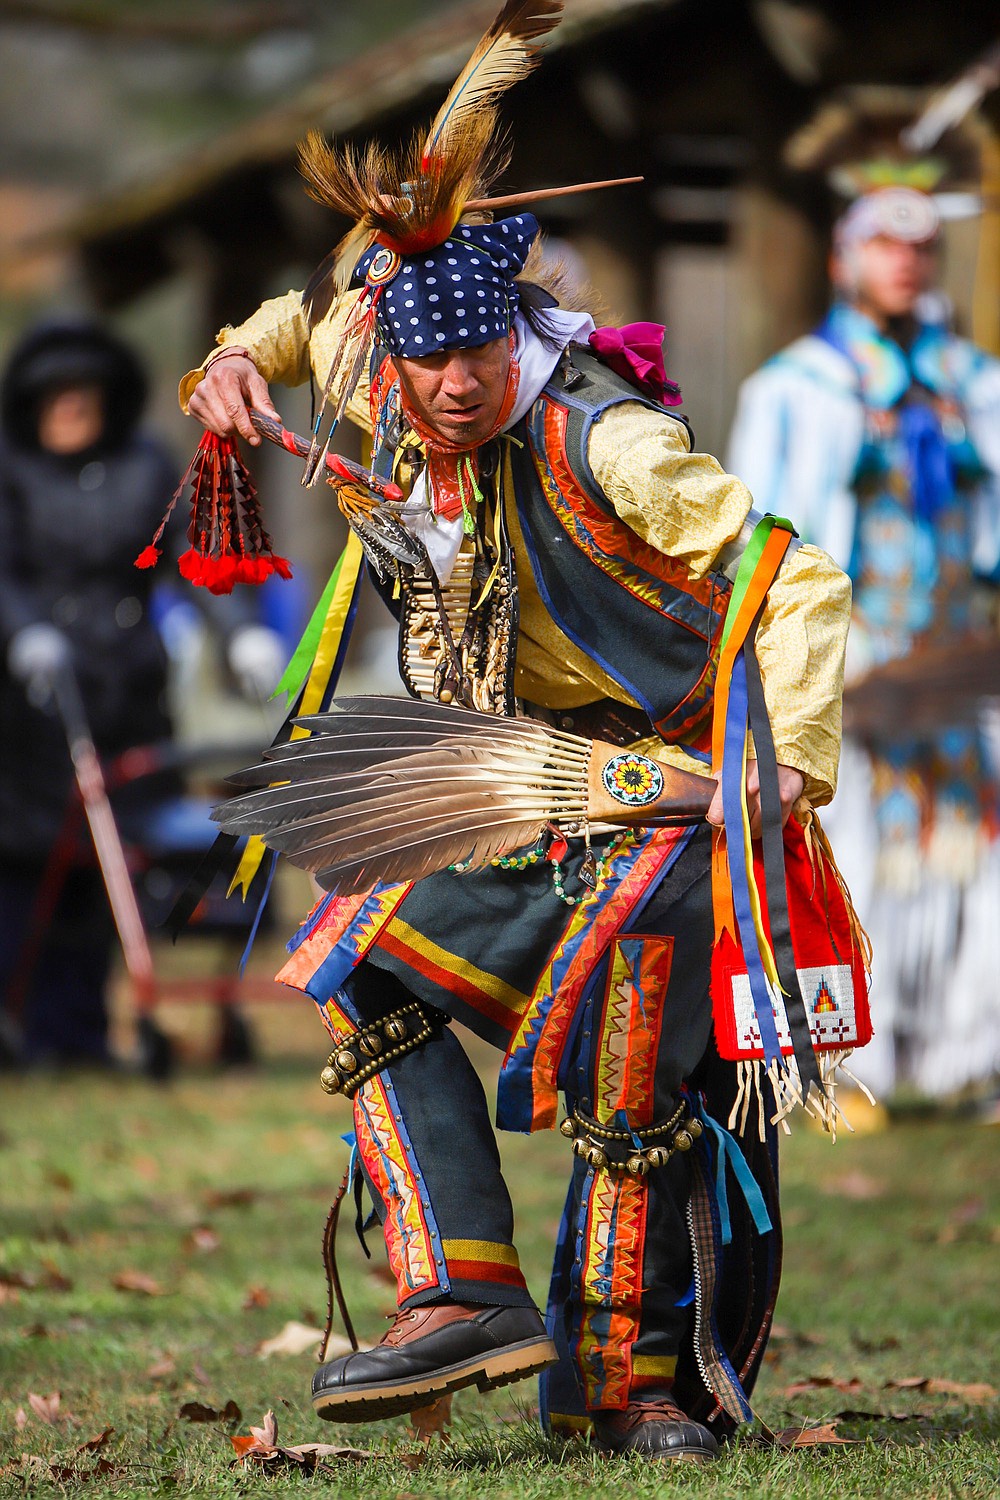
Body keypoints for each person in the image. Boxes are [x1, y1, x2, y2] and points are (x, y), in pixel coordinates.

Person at [181, 1, 859, 1463]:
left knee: (635, 1081)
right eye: (428, 366)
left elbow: (793, 575)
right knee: (361, 956)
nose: (454, 388)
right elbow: (300, 323)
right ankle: (461, 1292)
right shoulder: (377, 357)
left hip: (673, 784)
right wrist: (228, 361)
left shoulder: (610, 437)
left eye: (480, 356)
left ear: (517, 333)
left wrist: (783, 769)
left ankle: (631, 1392)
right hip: (513, 774)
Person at [728, 186, 1000, 1102]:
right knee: (843, 855)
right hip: (847, 666)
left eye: (921, 248)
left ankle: (967, 1061)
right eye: (886, 245)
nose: (906, 262)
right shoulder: (794, 389)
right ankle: (845, 1069)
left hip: (957, 665)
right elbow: (755, 540)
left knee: (967, 851)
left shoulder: (975, 385)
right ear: (844, 260)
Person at [0, 317, 285, 1068]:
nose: (71, 408)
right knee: (33, 864)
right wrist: (23, 632)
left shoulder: (144, 463)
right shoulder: (10, 470)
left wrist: (239, 633)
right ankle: (25, 1022)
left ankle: (85, 1032)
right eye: (56, 395)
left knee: (114, 862)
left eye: (84, 393)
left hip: (127, 691)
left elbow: (195, 548)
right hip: (33, 704)